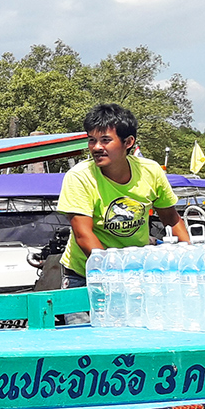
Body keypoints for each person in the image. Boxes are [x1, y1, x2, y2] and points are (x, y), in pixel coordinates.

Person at [58, 103, 190, 291]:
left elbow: (171, 219)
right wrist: (115, 277)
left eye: (105, 140)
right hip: (85, 274)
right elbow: (83, 235)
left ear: (128, 142)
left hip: (136, 273)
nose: (96, 147)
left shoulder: (150, 171)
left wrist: (190, 260)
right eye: (91, 140)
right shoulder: (79, 176)